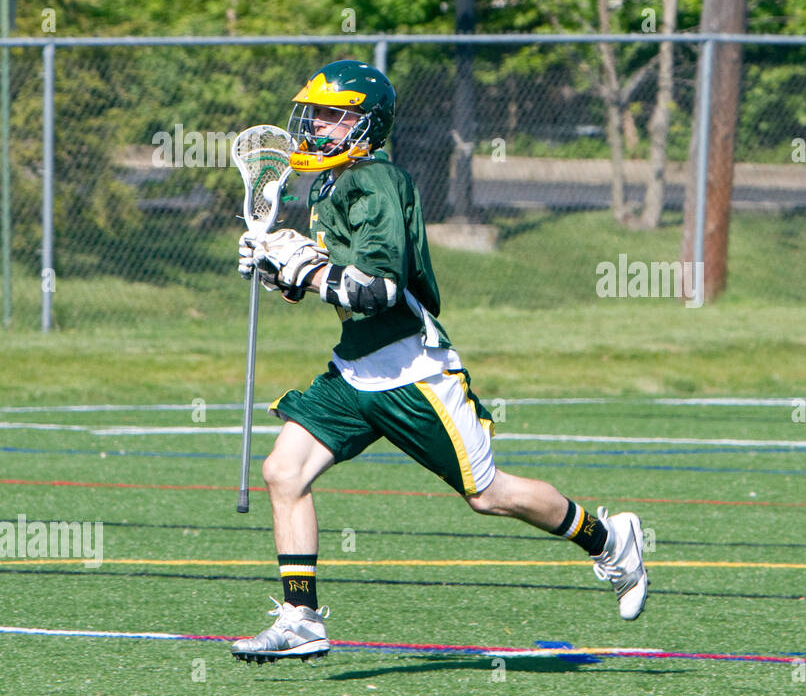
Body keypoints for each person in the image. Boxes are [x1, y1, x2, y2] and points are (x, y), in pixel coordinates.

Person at [231, 59, 648, 662]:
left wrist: (303, 267)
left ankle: (609, 538)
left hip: (410, 372)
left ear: (365, 125)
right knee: (283, 472)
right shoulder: (327, 185)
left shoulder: (376, 181)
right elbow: (333, 283)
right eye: (314, 113)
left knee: (488, 494)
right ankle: (301, 618)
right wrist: (276, 269)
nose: (315, 125)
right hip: (355, 370)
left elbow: (377, 291)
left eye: (331, 114)